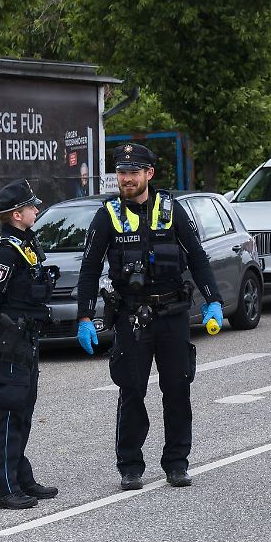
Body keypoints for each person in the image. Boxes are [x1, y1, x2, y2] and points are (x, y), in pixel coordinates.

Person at [75, 143, 223, 490]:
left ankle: (176, 463)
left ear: (148, 174)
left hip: (172, 313)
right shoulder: (108, 214)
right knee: (131, 391)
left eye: (133, 172)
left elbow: (198, 258)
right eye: (122, 173)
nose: (126, 178)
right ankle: (130, 465)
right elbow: (89, 268)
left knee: (176, 389)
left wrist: (213, 300)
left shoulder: (172, 210)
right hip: (131, 316)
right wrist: (84, 317)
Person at [0, 180, 58, 509]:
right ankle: (4, 489)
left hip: (26, 339)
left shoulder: (26, 243)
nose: (37, 210)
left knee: (23, 410)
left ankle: (21, 477)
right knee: (8, 412)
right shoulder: (5, 252)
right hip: (10, 340)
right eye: (31, 206)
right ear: (17, 214)